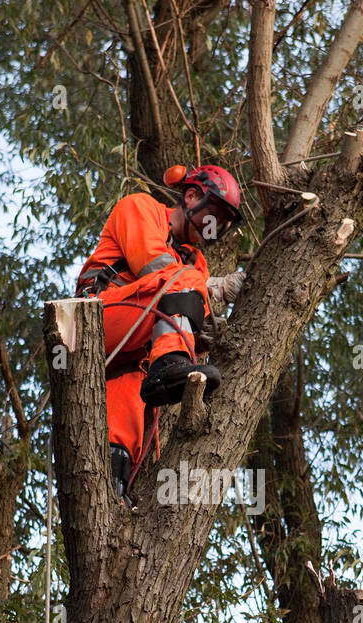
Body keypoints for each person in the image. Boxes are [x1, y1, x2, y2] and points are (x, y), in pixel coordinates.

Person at [76, 165, 245, 499]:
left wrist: (208, 328)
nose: (215, 228)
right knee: (186, 281)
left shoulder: (196, 262)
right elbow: (154, 266)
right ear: (192, 196)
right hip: (95, 317)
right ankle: (167, 365)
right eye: (213, 215)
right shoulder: (140, 208)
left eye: (222, 224)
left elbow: (192, 313)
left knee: (129, 403)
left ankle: (115, 488)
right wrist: (211, 287)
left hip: (130, 344)